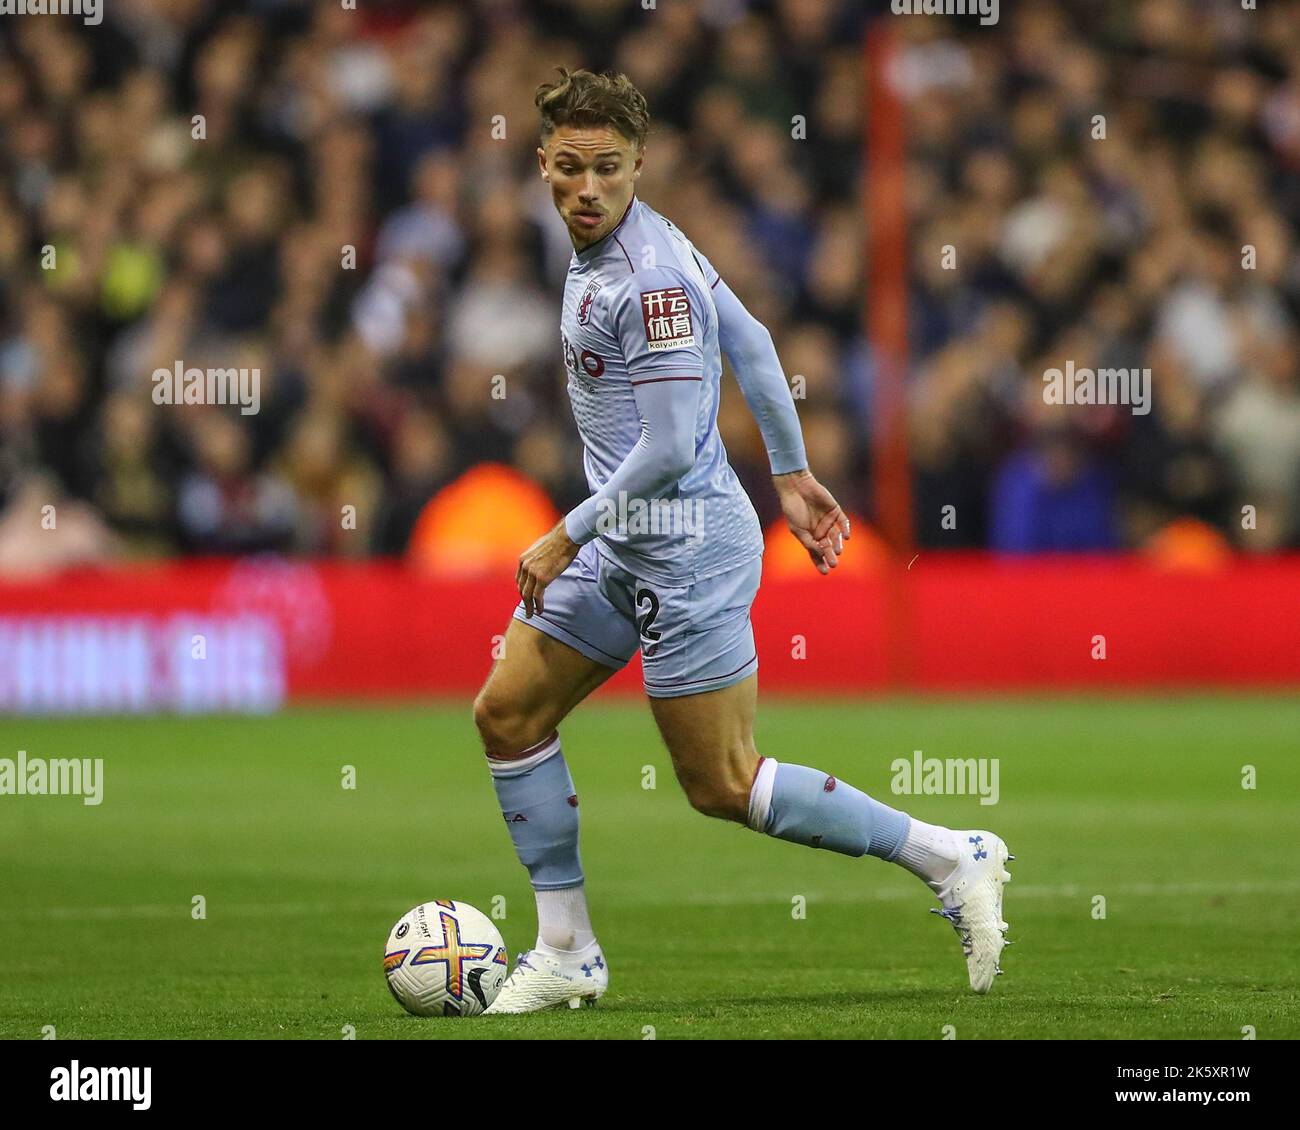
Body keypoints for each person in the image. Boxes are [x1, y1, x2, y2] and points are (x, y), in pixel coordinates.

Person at [473, 68, 1012, 1013]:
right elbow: (756, 339)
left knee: (723, 783)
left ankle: (948, 855)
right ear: (543, 163)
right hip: (627, 535)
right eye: (569, 168)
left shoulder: (650, 283)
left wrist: (564, 534)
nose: (587, 189)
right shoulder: (634, 238)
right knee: (508, 714)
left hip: (685, 549)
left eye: (607, 169)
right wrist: (794, 473)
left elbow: (676, 442)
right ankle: (566, 949)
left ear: (639, 163)